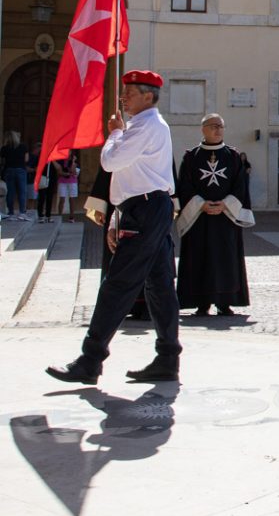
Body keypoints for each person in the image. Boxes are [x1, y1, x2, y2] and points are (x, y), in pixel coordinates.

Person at [47, 70, 181, 385]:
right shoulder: (146, 126)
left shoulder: (143, 127)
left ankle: (91, 359)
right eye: (124, 92)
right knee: (159, 286)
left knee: (118, 284)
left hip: (145, 210)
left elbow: (110, 163)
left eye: (129, 92)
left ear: (148, 96)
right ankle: (167, 357)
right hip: (146, 208)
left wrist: (114, 134)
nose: (123, 98)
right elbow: (128, 180)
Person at [175, 113, 253, 317]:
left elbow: (240, 186)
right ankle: (201, 303)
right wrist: (200, 205)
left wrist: (225, 205)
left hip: (225, 219)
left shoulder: (233, 156)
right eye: (213, 126)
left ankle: (225, 302)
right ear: (203, 129)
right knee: (199, 259)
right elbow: (184, 185)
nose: (218, 129)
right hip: (198, 219)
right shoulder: (191, 157)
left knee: (225, 260)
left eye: (221, 126)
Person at [1, 130, 28, 221]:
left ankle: (11, 213)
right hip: (21, 170)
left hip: (9, 170)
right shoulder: (23, 147)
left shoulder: (4, 148)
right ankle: (22, 213)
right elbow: (26, 159)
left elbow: (2, 161)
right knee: (22, 191)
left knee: (10, 192)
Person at [56, 152, 80, 222]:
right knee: (62, 199)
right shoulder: (61, 160)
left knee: (72, 200)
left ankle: (71, 217)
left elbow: (74, 172)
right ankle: (59, 216)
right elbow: (59, 172)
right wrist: (66, 173)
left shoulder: (75, 161)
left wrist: (73, 162)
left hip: (72, 182)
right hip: (62, 182)